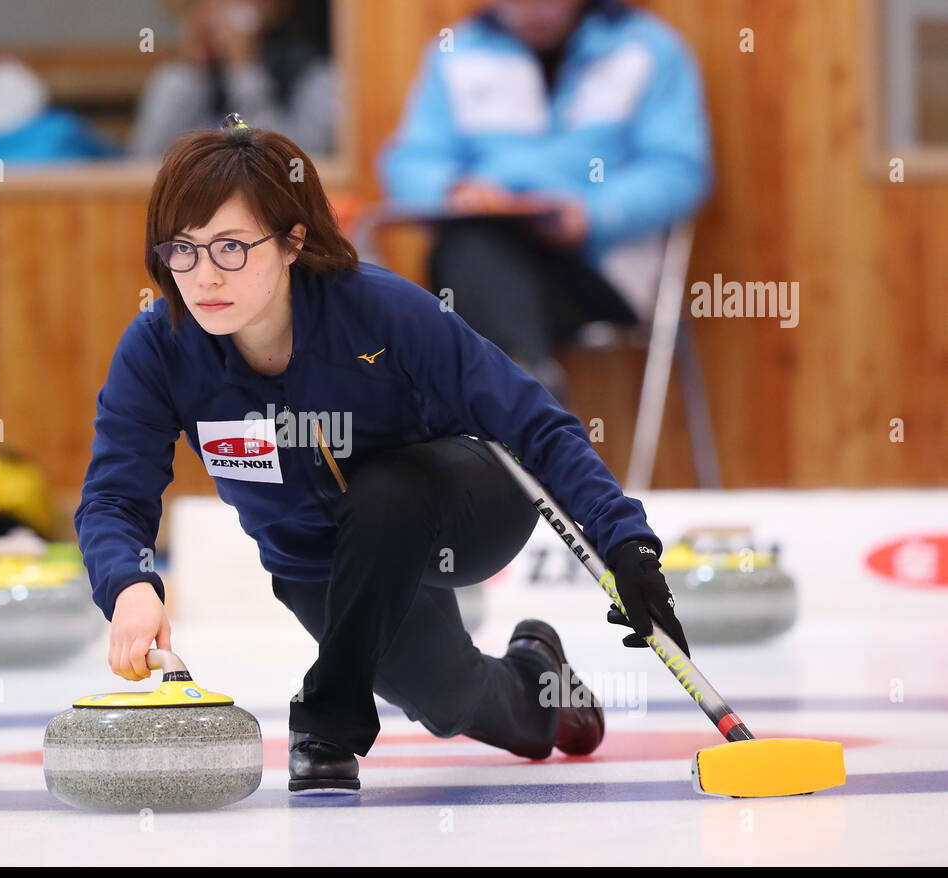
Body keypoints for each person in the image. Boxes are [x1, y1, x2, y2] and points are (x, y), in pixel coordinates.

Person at [76, 116, 689, 793]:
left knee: (386, 490)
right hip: (323, 559)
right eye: (181, 251)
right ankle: (540, 681)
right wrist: (130, 587)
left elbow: (538, 426)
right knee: (448, 701)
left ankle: (328, 717)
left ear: (290, 242)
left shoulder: (382, 313)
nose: (202, 276)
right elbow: (114, 497)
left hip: (465, 502)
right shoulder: (159, 348)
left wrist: (627, 546)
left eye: (230, 247)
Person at [377, 0, 713, 406]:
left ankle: (518, 400)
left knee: (465, 272)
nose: (534, 7)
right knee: (470, 246)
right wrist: (454, 191)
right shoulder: (456, 54)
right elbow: (410, 163)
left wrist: (591, 214)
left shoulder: (649, 50)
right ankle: (530, 394)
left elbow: (679, 171)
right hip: (483, 255)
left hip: (602, 268)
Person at [130, 0, 337, 159]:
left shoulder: (315, 76)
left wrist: (243, 70)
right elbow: (144, 163)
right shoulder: (183, 78)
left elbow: (290, 168)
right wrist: (191, 71)